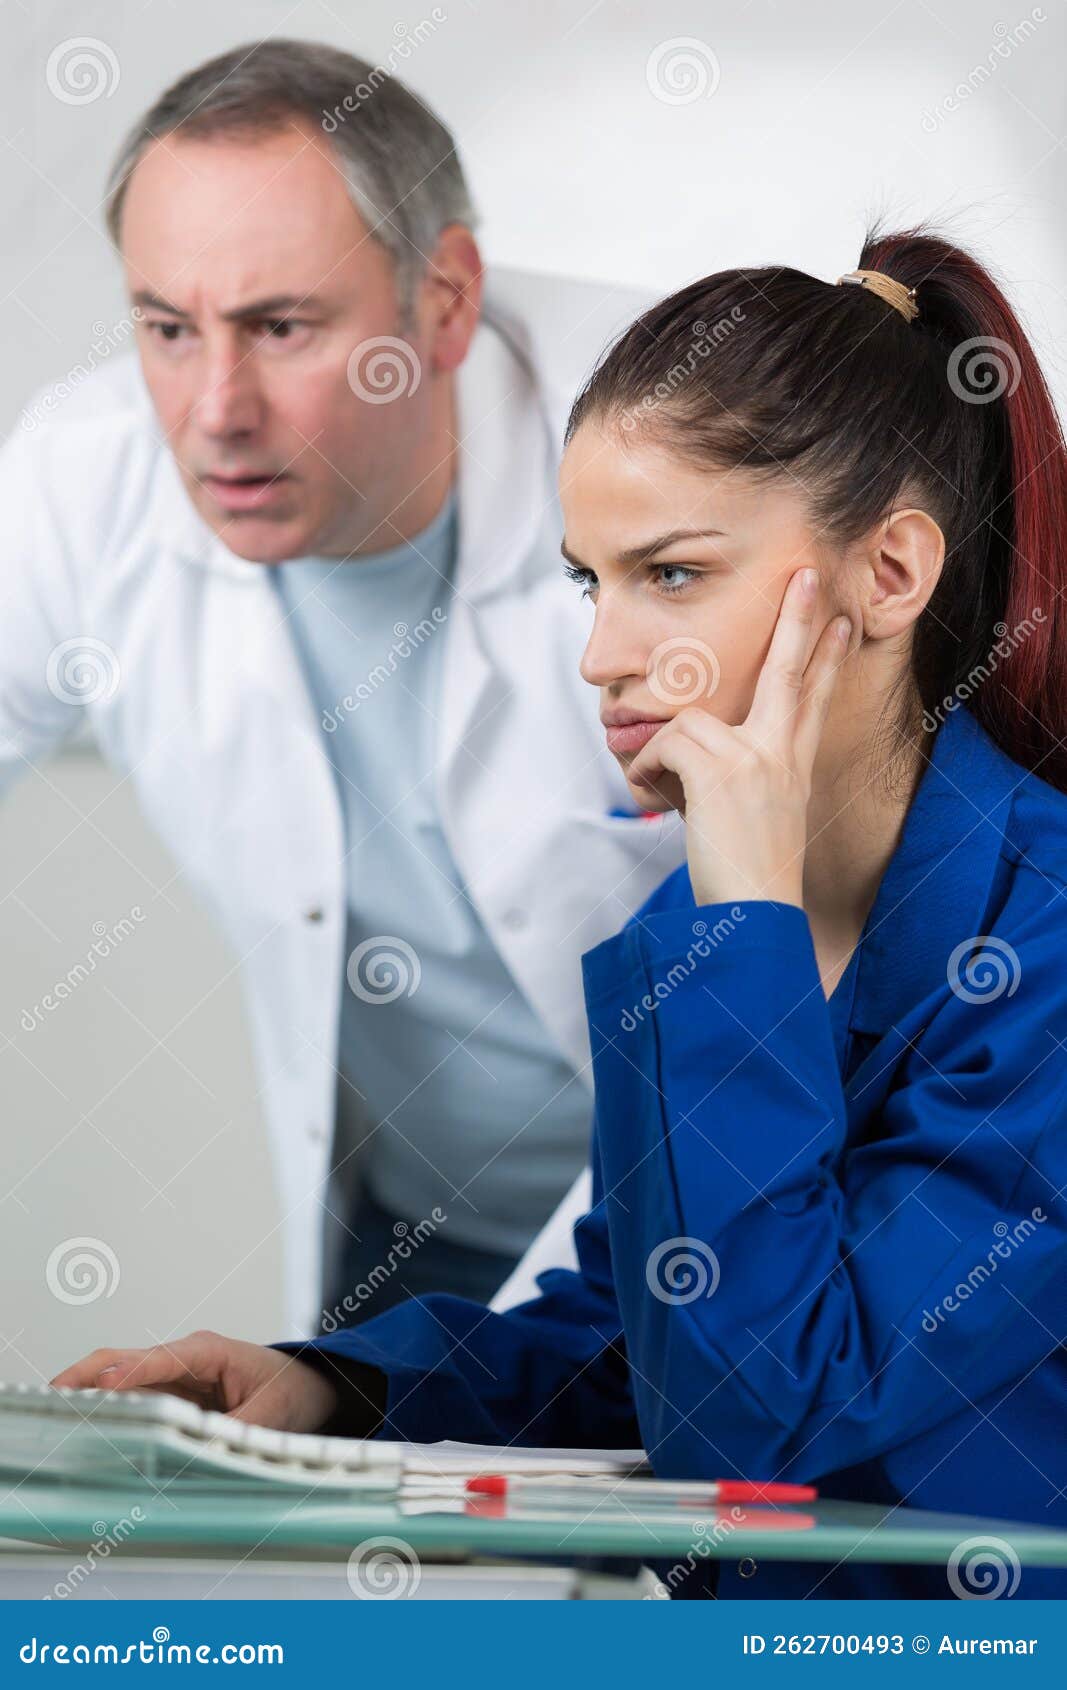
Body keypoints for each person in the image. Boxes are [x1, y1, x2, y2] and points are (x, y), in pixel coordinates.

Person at [55, 227, 1067, 1600]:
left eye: (672, 575)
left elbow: (768, 1429)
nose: (600, 656)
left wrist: (748, 925)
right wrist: (332, 1390)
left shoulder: (1033, 942)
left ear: (891, 574)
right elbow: (644, 1338)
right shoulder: (701, 927)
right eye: (591, 582)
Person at [0, 40, 684, 1337]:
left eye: (281, 327)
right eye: (166, 328)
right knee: (375, 1498)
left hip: (762, 1216)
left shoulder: (682, 457)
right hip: (426, 1234)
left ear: (444, 300)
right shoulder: (80, 482)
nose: (214, 410)